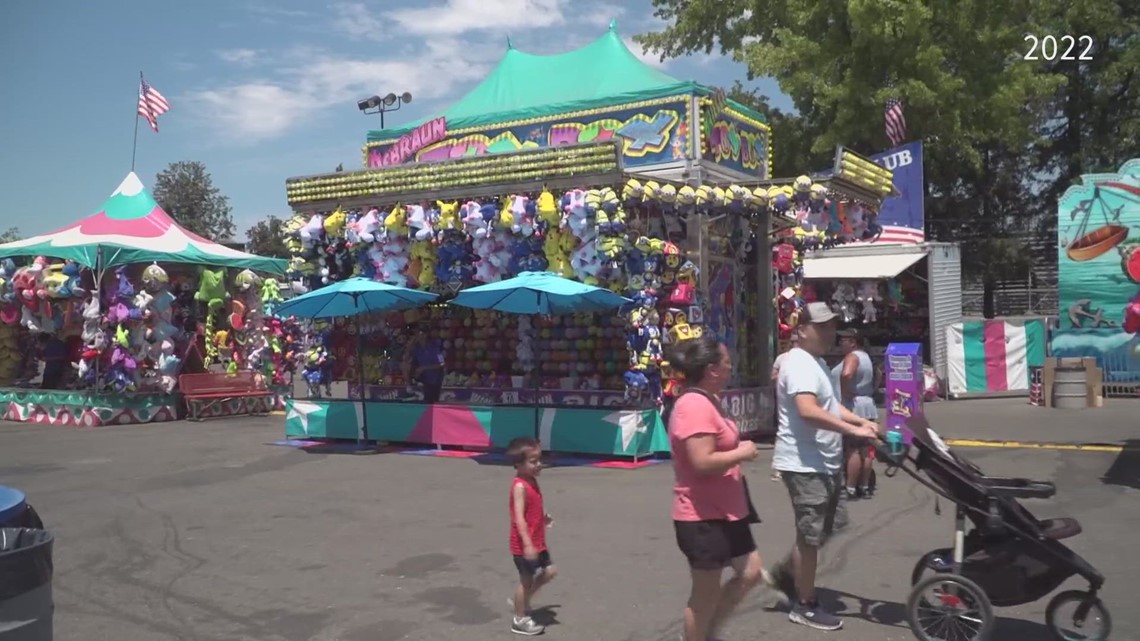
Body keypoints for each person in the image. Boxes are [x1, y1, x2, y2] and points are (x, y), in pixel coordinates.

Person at [766, 302, 880, 631]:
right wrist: (852, 430)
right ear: (801, 330)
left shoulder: (815, 362)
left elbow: (830, 406)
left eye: (832, 326)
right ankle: (804, 604)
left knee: (829, 525)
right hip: (805, 463)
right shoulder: (799, 364)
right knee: (811, 536)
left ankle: (787, 574)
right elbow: (808, 410)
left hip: (824, 461)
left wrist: (861, 421)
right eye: (822, 327)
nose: (829, 333)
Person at [667, 334, 765, 641]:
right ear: (711, 369)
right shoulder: (693, 405)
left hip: (727, 510)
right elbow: (702, 461)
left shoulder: (710, 399)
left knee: (751, 572)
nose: (731, 367)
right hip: (701, 516)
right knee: (705, 595)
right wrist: (742, 452)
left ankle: (706, 631)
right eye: (726, 362)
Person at [506, 437, 557, 636]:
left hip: (537, 541)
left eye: (539, 460)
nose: (539, 464)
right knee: (526, 581)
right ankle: (519, 619)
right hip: (524, 545)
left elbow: (532, 509)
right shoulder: (519, 486)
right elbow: (518, 518)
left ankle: (522, 601)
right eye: (533, 461)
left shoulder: (532, 480)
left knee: (550, 571)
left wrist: (543, 518)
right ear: (518, 465)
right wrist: (527, 544)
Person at [833, 329, 878, 499]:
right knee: (866, 449)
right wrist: (869, 390)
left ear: (853, 342)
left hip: (853, 407)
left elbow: (846, 374)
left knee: (853, 449)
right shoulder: (866, 357)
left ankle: (851, 487)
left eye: (843, 340)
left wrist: (844, 391)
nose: (840, 343)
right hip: (867, 404)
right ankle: (864, 486)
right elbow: (878, 375)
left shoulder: (852, 356)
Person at [404, 325, 445, 403]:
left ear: (425, 335)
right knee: (405, 365)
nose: (416, 336)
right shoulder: (417, 348)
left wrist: (423, 368)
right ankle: (409, 387)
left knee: (432, 400)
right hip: (422, 377)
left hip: (435, 378)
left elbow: (442, 364)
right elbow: (406, 359)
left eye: (419, 333)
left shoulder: (434, 347)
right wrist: (409, 347)